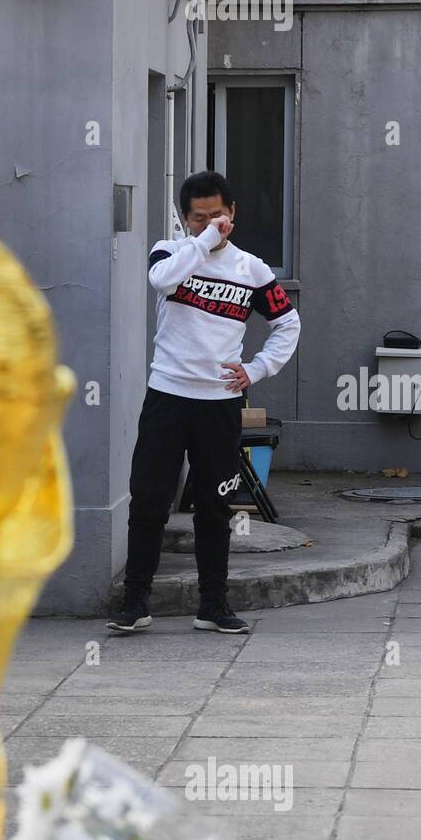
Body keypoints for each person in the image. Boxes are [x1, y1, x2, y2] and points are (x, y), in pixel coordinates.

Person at [108, 170, 300, 635]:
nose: (211, 225)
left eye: (218, 216)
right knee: (149, 500)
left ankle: (213, 603)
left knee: (216, 507)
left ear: (233, 212)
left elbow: (287, 324)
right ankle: (136, 602)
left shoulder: (252, 270)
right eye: (199, 218)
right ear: (185, 219)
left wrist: (255, 370)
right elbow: (160, 280)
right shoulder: (172, 253)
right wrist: (201, 242)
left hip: (219, 405)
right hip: (167, 397)